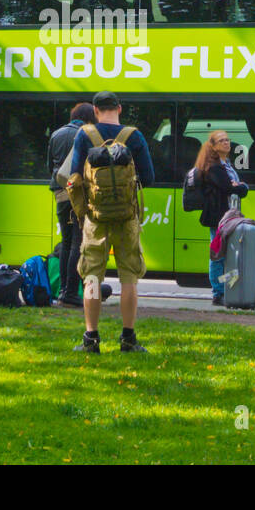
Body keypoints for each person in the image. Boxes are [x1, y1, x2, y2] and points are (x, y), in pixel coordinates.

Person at [67, 91, 155, 353]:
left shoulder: (85, 135)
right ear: (119, 108)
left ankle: (91, 339)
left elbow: (73, 179)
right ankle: (128, 339)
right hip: (127, 218)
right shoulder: (134, 136)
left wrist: (83, 213)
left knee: (92, 277)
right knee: (129, 278)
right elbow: (149, 178)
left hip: (95, 218)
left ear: (95, 110)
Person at [48, 102, 97, 307]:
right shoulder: (86, 135)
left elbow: (50, 165)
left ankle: (62, 291)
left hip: (60, 192)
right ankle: (70, 292)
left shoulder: (56, 134)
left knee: (66, 241)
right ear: (88, 118)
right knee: (78, 241)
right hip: (78, 194)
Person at [196, 130, 249, 306]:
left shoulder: (226, 164)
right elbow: (229, 188)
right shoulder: (213, 166)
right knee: (218, 255)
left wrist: (239, 186)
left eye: (227, 140)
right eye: (221, 141)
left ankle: (226, 289)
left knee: (227, 254)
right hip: (219, 218)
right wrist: (238, 187)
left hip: (229, 216)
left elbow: (238, 188)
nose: (227, 143)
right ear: (213, 146)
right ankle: (218, 293)